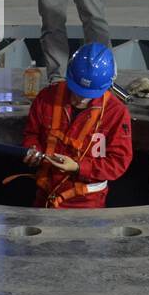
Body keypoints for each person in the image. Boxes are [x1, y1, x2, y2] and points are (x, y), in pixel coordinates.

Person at [21, 43, 132, 209]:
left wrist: (79, 167)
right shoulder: (47, 98)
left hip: (87, 202)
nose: (80, 99)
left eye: (88, 95)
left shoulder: (115, 113)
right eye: (77, 91)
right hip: (45, 196)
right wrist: (32, 150)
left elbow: (118, 161)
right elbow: (31, 133)